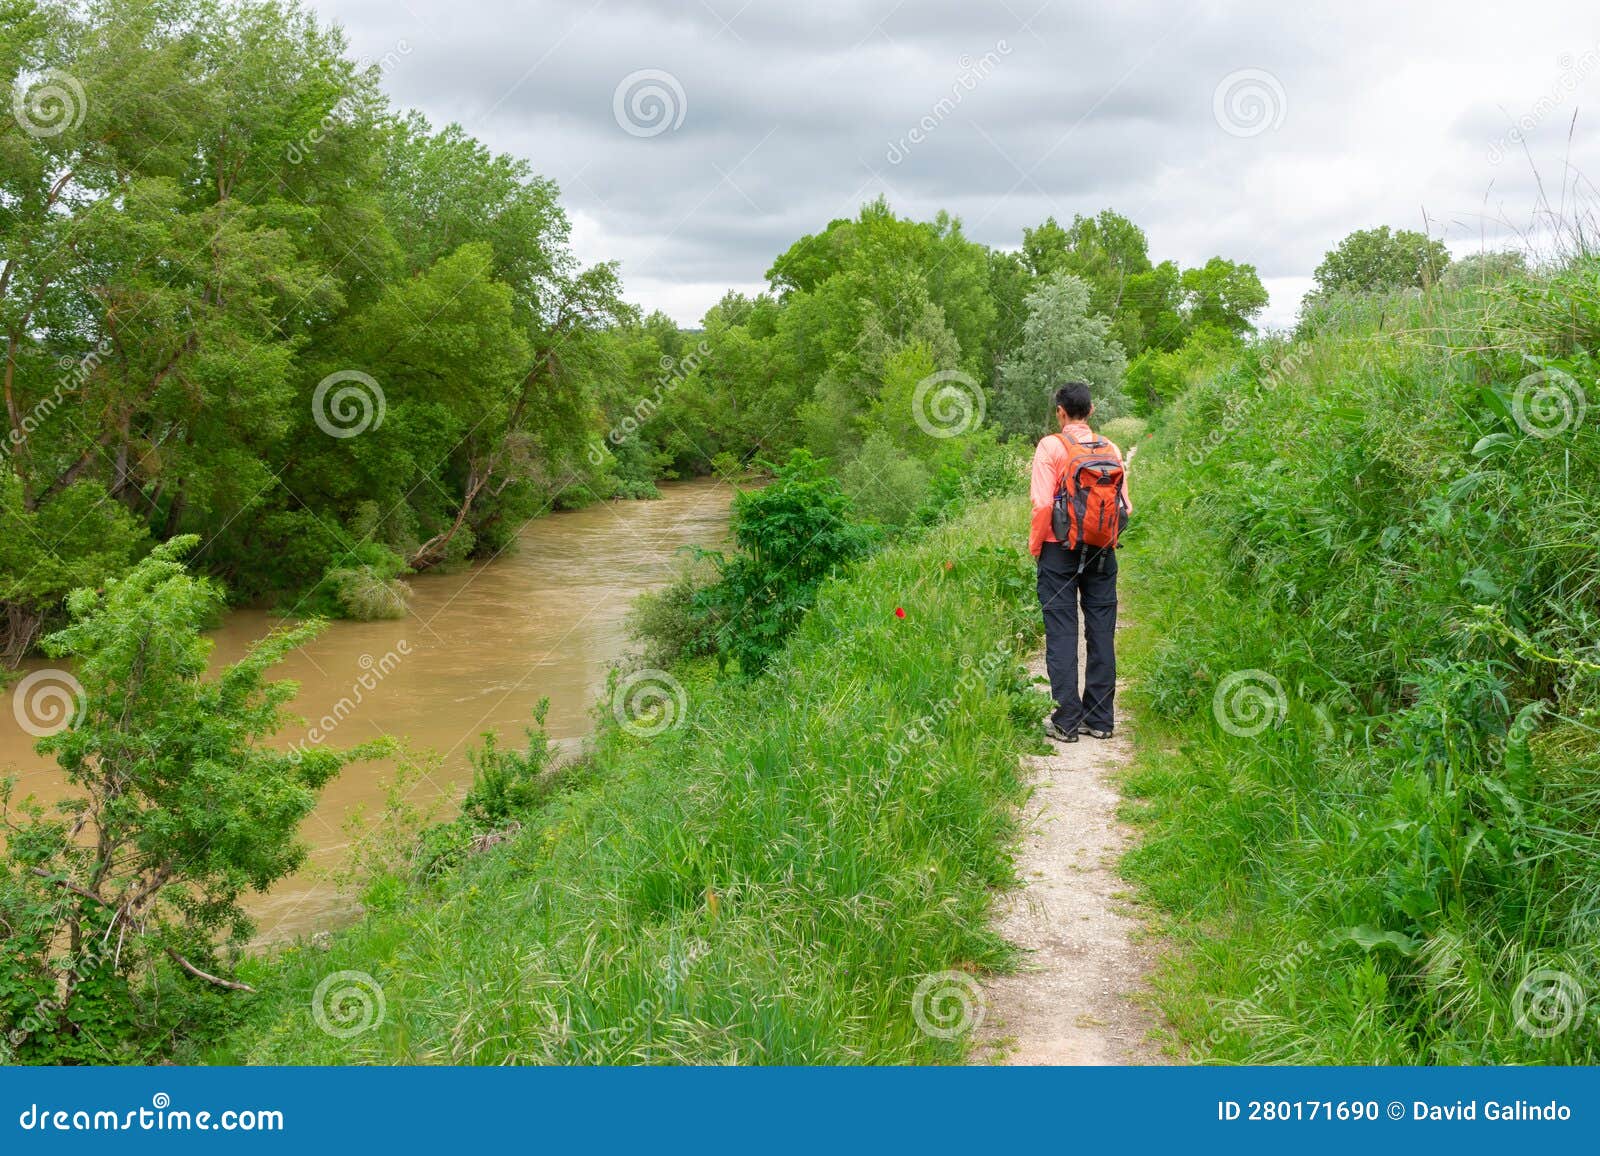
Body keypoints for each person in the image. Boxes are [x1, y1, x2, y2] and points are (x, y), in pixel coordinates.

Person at [1028, 382, 1131, 744]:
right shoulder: (1111, 448)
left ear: (1060, 411)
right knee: (1102, 630)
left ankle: (1067, 722)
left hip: (1059, 549)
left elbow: (1042, 505)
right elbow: (1126, 508)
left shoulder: (1050, 446)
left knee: (1062, 630)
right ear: (1090, 411)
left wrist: (1036, 545)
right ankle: (1100, 720)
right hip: (1103, 549)